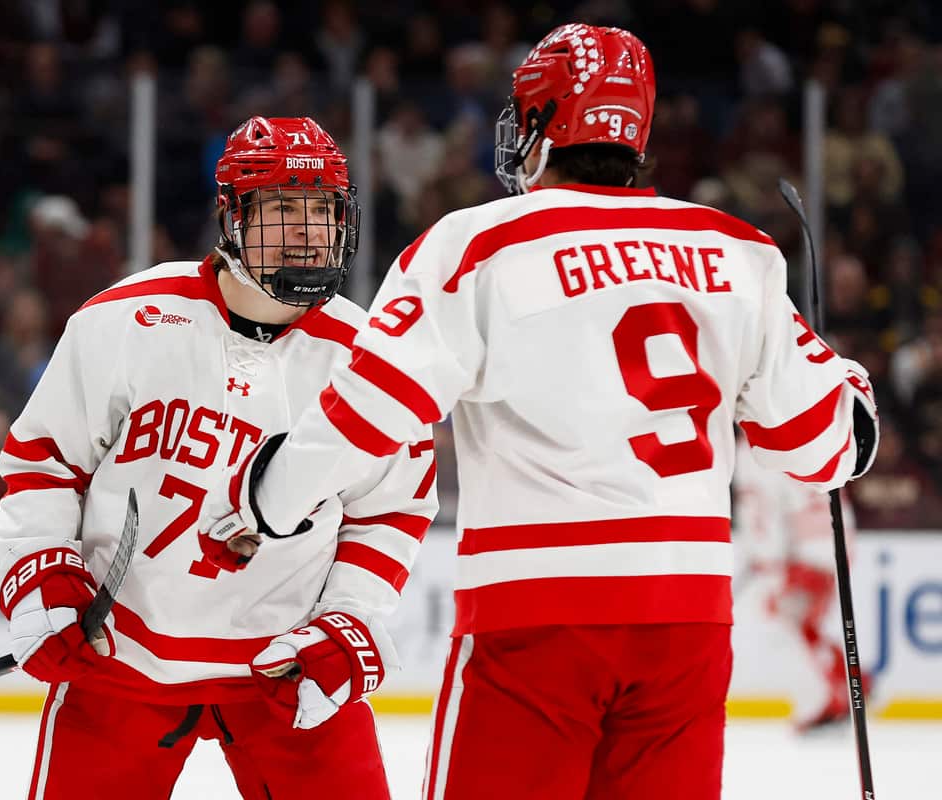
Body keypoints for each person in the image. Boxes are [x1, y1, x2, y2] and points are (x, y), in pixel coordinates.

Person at [197, 24, 879, 800]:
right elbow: (827, 447)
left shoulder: (478, 244)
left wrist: (267, 497)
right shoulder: (737, 250)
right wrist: (848, 383)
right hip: (687, 622)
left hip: (536, 615)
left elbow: (369, 413)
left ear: (540, 124)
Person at [0, 116, 437, 800]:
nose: (308, 230)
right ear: (232, 216)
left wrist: (350, 617)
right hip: (121, 659)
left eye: (323, 209)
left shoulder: (369, 355)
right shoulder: (127, 320)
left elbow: (390, 510)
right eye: (283, 207)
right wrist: (41, 568)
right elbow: (45, 460)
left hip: (286, 671)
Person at [732, 435, 860, 732]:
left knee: (794, 624)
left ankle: (836, 695)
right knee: (803, 626)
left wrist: (767, 558)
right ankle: (848, 684)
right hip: (833, 541)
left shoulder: (752, 446)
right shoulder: (802, 428)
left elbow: (762, 505)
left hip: (804, 553)